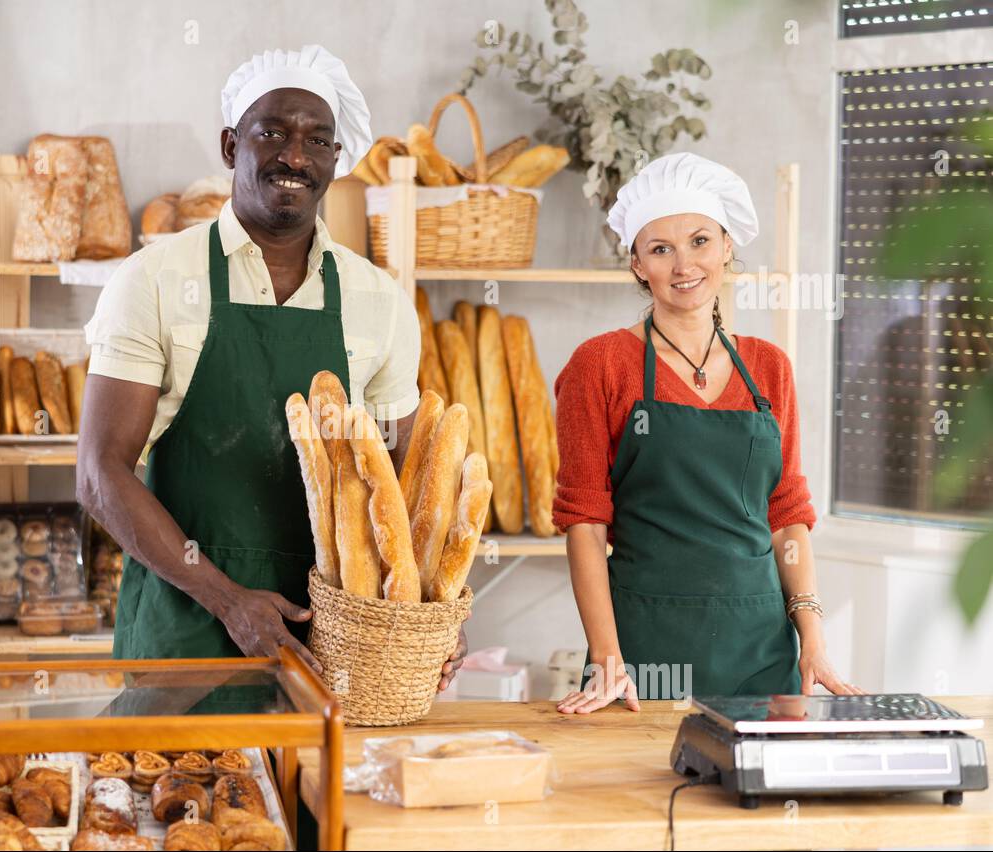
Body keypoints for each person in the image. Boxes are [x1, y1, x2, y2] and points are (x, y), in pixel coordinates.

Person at [78, 45, 467, 690]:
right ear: (232, 145)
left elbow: (404, 484)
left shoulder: (380, 302)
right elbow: (99, 474)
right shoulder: (154, 279)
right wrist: (229, 600)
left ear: (335, 161)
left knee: (322, 795)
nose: (296, 155)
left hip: (334, 636)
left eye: (318, 140)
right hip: (185, 626)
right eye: (273, 133)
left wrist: (426, 613)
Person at [553, 153, 862, 713]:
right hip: (645, 652)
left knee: (761, 795)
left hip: (763, 649)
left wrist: (813, 641)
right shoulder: (599, 365)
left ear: (726, 247)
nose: (683, 265)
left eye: (699, 241)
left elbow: (786, 514)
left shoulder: (769, 367)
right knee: (643, 793)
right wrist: (606, 657)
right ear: (638, 265)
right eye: (660, 249)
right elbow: (584, 521)